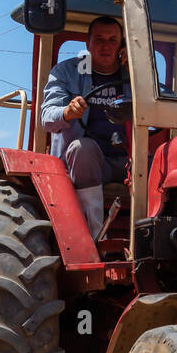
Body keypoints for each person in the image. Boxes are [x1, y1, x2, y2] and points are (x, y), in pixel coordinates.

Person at [40, 16, 131, 235]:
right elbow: (46, 116)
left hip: (129, 160)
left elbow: (165, 100)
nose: (106, 46)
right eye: (99, 39)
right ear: (87, 44)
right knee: (83, 148)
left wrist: (139, 70)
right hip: (88, 162)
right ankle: (91, 236)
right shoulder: (66, 72)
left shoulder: (137, 75)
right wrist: (67, 112)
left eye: (112, 40)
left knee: (165, 163)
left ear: (122, 45)